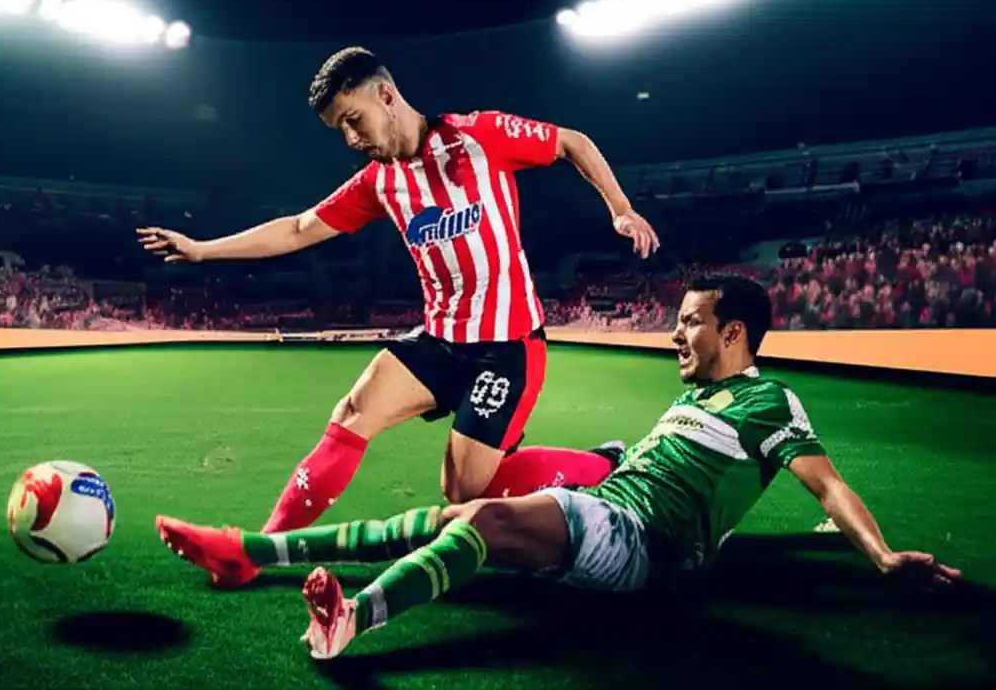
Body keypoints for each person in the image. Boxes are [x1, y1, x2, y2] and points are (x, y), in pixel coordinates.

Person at [154, 275, 962, 659]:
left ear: (737, 334)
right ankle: (248, 553)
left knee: (482, 517)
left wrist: (881, 557)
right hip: (607, 508)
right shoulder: (688, 403)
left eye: (691, 325)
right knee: (443, 521)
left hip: (645, 547)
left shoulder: (769, 404)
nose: (676, 336)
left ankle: (349, 621)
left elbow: (827, 483)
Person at [138, 47, 661, 564]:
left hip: (507, 348)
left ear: (386, 95)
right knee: (352, 414)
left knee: (464, 494)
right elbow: (299, 228)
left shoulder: (479, 136)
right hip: (437, 341)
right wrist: (203, 249)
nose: (351, 138)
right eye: (340, 129)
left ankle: (602, 465)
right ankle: (256, 552)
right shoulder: (380, 182)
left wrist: (621, 209)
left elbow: (572, 141)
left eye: (354, 120)